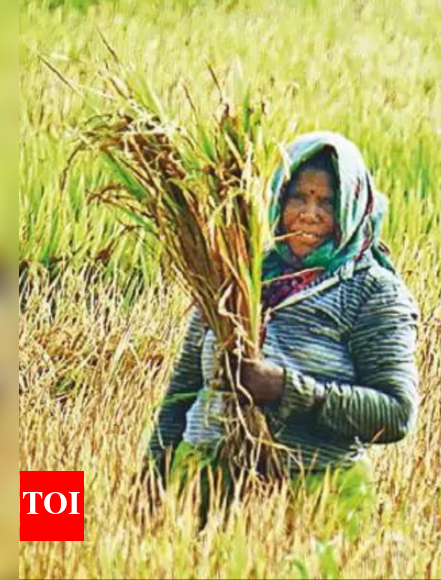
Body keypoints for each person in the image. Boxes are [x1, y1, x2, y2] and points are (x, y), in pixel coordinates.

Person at [144, 132, 420, 514]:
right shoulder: (237, 277)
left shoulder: (373, 292)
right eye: (298, 198)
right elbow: (181, 393)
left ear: (352, 207)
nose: (310, 213)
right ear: (277, 200)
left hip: (316, 499)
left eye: (327, 202)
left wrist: (286, 389)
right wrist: (152, 480)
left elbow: (395, 413)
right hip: (203, 488)